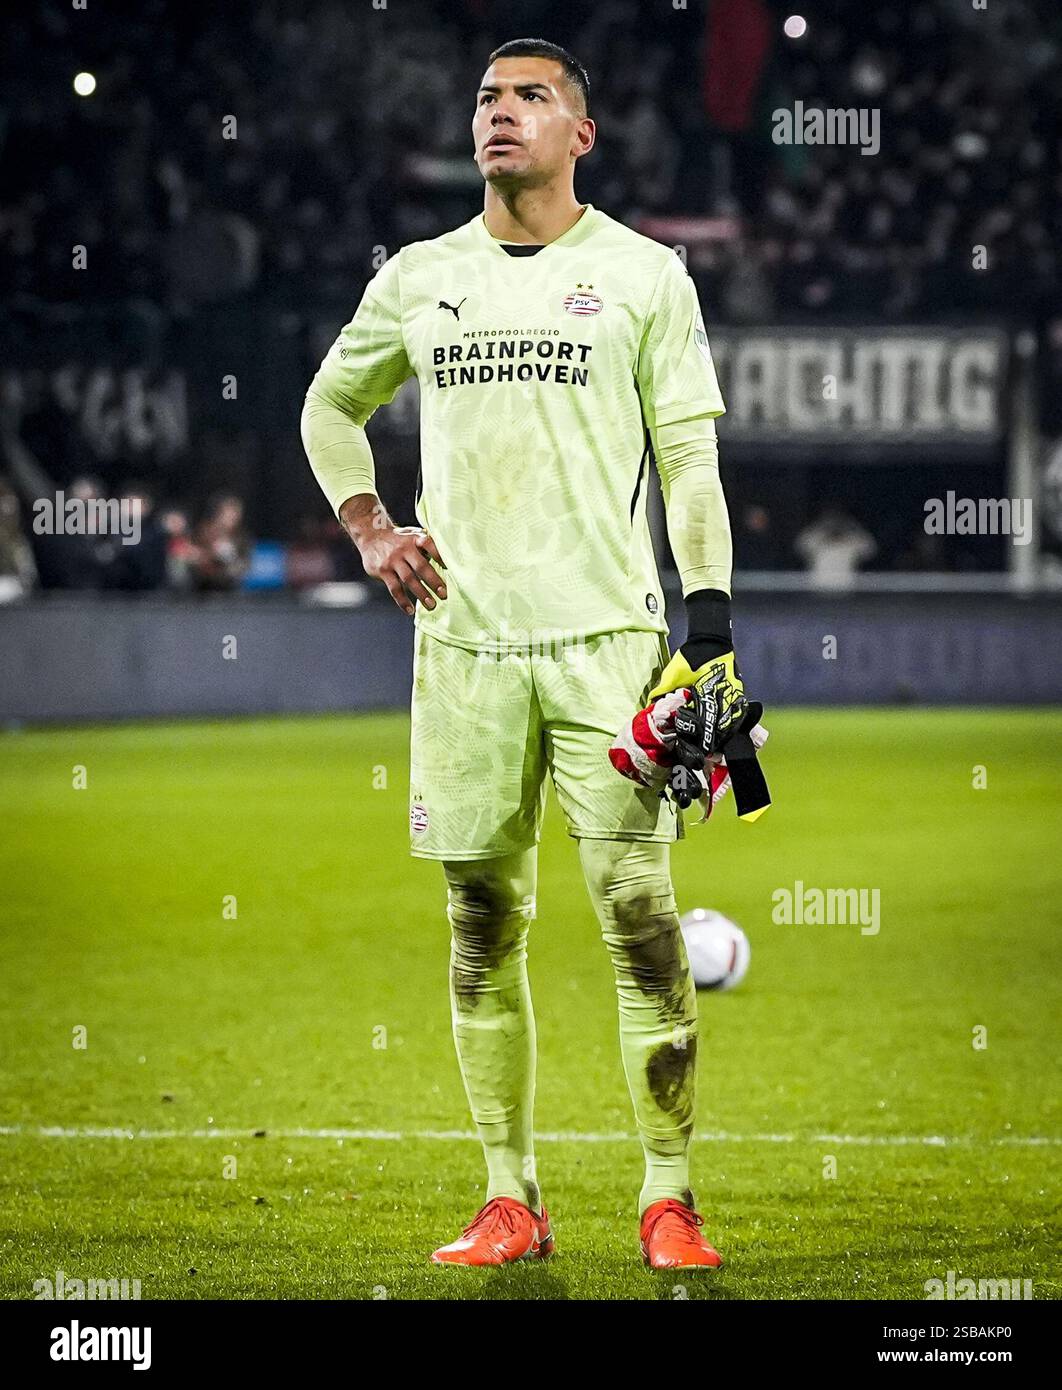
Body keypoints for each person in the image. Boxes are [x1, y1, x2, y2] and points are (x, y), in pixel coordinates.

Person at [302, 38, 749, 1270]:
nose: (501, 114)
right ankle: (513, 1197)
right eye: (489, 98)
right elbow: (326, 406)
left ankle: (668, 1198)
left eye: (530, 98)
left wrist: (705, 623)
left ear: (580, 135)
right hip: (466, 649)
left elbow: (690, 461)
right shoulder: (422, 276)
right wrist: (369, 526)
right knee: (480, 922)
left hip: (608, 645)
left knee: (642, 919)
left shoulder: (647, 275)